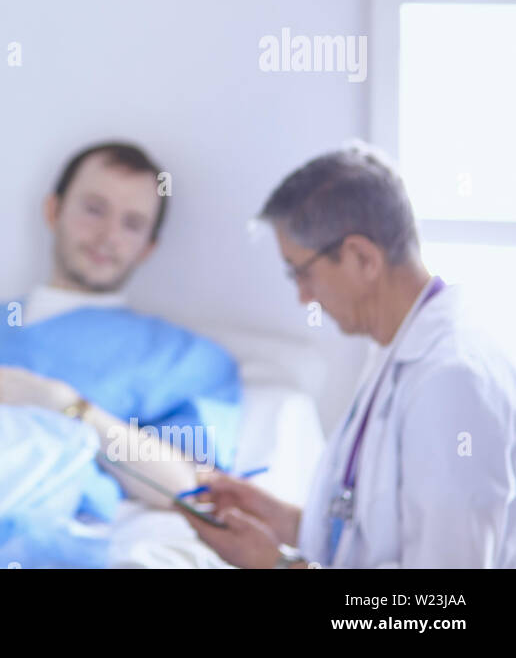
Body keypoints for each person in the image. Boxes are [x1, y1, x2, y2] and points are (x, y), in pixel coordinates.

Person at [183, 143, 516, 568]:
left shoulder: (452, 382)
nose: (303, 296)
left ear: (362, 257)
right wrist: (283, 522)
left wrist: (278, 566)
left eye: (301, 271)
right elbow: (374, 535)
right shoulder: (397, 343)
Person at [0, 142, 243, 507]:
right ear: (54, 211)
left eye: (132, 224)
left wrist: (65, 406)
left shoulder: (184, 358)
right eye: (94, 210)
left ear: (148, 247)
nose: (108, 236)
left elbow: (187, 491)